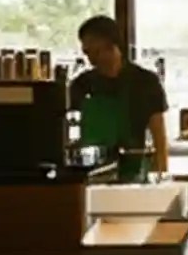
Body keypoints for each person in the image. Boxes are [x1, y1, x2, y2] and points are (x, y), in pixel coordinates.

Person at [70, 16, 169, 180]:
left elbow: (159, 136)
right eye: (87, 53)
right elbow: (69, 134)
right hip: (90, 176)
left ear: (112, 45)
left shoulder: (145, 82)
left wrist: (162, 175)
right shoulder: (81, 84)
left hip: (135, 175)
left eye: (96, 52)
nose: (91, 60)